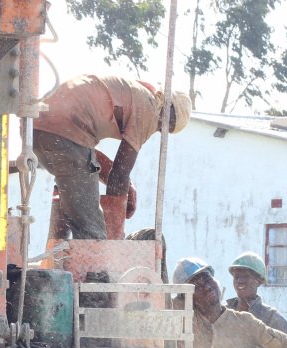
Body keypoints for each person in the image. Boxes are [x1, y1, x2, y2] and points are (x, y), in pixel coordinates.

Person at [34, 75, 192, 240]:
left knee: (71, 197)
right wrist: (114, 237)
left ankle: (57, 249)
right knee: (93, 235)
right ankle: (93, 250)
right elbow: (119, 174)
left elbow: (85, 155)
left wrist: (128, 185)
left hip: (38, 129)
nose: (157, 128)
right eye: (163, 126)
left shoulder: (135, 91)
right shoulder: (151, 109)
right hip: (65, 134)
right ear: (168, 110)